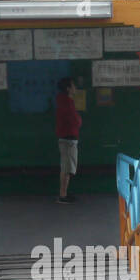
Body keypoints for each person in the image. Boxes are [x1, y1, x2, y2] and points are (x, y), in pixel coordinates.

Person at [54, 75, 80, 203]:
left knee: (67, 167)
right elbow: (74, 120)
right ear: (68, 88)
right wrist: (79, 121)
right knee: (66, 168)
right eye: (73, 86)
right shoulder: (67, 102)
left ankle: (63, 194)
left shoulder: (63, 101)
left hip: (67, 139)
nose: (75, 88)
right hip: (68, 139)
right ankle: (62, 195)